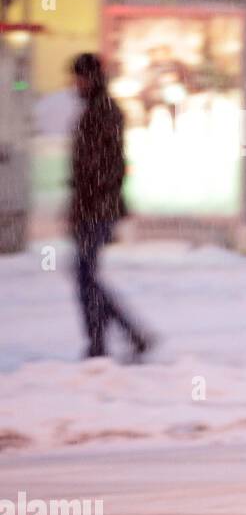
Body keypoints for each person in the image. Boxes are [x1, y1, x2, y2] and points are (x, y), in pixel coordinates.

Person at [68, 53, 152, 362]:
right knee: (85, 275)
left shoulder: (102, 112)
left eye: (78, 78)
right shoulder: (96, 110)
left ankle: (105, 342)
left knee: (84, 275)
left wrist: (91, 203)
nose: (75, 84)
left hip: (97, 209)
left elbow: (105, 167)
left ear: (90, 79)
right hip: (94, 207)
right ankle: (123, 337)